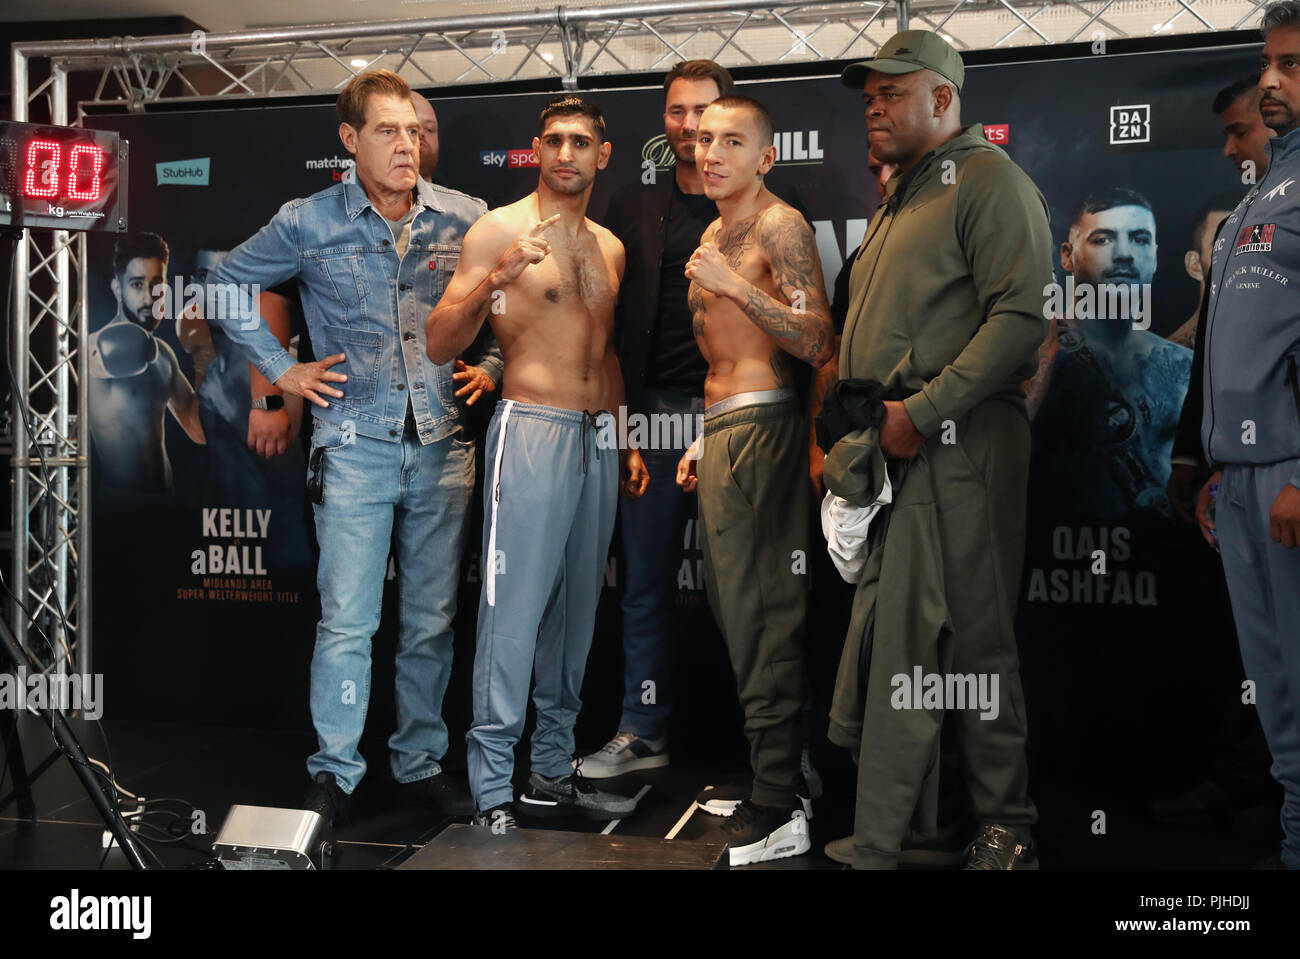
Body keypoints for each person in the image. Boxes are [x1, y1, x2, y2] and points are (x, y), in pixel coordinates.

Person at [204, 68, 503, 827]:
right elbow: (226, 282)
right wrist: (282, 372)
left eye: (414, 131)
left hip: (443, 445)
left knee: (431, 619)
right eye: (387, 132)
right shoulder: (307, 221)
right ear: (349, 140)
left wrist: (494, 366)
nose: (407, 146)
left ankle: (420, 762)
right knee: (348, 622)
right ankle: (335, 773)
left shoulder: (465, 215)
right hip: (352, 446)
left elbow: (507, 308)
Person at [833, 29, 1050, 869]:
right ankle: (905, 826)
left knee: (975, 637)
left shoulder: (988, 180)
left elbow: (1019, 320)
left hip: (961, 441)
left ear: (945, 100)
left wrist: (923, 410)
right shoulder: (906, 193)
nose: (875, 107)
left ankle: (1009, 825)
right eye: (869, 97)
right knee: (902, 638)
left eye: (893, 92)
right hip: (900, 444)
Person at [426, 95, 649, 829]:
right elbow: (438, 340)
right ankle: (492, 786)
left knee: (575, 619)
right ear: (535, 148)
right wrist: (495, 278)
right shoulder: (501, 228)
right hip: (530, 428)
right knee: (512, 613)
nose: (566, 153)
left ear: (602, 155)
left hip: (594, 438)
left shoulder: (610, 247)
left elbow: (607, 352)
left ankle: (551, 770)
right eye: (554, 140)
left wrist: (624, 437)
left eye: (581, 141)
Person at [673, 95, 834, 865]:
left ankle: (778, 802)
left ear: (765, 157)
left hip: (767, 429)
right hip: (724, 434)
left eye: (731, 141)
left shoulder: (780, 225)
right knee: (741, 618)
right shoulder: (712, 231)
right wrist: (703, 444)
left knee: (769, 613)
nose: (711, 153)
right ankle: (781, 780)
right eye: (704, 139)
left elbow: (817, 338)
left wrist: (736, 287)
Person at [579, 59, 733, 779]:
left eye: (704, 109)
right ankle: (643, 732)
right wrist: (625, 428)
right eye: (677, 110)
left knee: (749, 592)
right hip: (652, 413)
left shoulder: (760, 206)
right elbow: (603, 328)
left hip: (736, 415)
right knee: (644, 582)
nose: (692, 124)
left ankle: (775, 753)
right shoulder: (631, 205)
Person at [1194, 1, 1300, 870]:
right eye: (1270, 62)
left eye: (1292, 65)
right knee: (1279, 703)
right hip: (1243, 479)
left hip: (1293, 478)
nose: (1271, 79)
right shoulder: (1266, 186)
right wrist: (1220, 464)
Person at [1032, 189, 1192, 519]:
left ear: (1156, 256)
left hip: (1163, 558)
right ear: (1067, 255)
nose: (1124, 255)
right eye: (1103, 239)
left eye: (1139, 239)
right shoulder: (1027, 357)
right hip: (1047, 555)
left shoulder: (1184, 367)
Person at [88, 231, 205, 496]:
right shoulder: (95, 346)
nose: (150, 298)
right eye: (137, 285)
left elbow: (199, 430)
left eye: (157, 285)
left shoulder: (162, 354)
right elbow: (95, 358)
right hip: (120, 510)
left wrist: (208, 358)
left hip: (165, 506)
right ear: (118, 289)